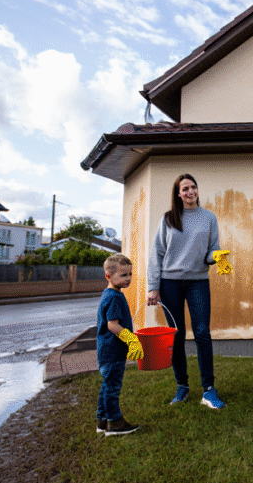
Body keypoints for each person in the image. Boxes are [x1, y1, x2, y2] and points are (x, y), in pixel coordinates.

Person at [147, 174, 232, 410]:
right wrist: (153, 287)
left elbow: (211, 250)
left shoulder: (209, 218)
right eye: (185, 188)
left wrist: (217, 257)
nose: (190, 191)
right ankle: (182, 386)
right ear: (178, 193)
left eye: (193, 187)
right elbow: (157, 254)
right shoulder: (168, 219)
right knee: (177, 335)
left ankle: (209, 390)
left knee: (202, 333)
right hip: (170, 282)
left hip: (198, 282)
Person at [96, 253, 144, 436]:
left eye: (130, 274)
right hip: (112, 351)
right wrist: (132, 339)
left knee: (107, 386)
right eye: (123, 275)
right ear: (108, 276)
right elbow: (112, 325)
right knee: (112, 387)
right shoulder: (114, 297)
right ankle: (115, 423)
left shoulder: (110, 293)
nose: (128, 278)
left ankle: (102, 420)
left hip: (107, 351)